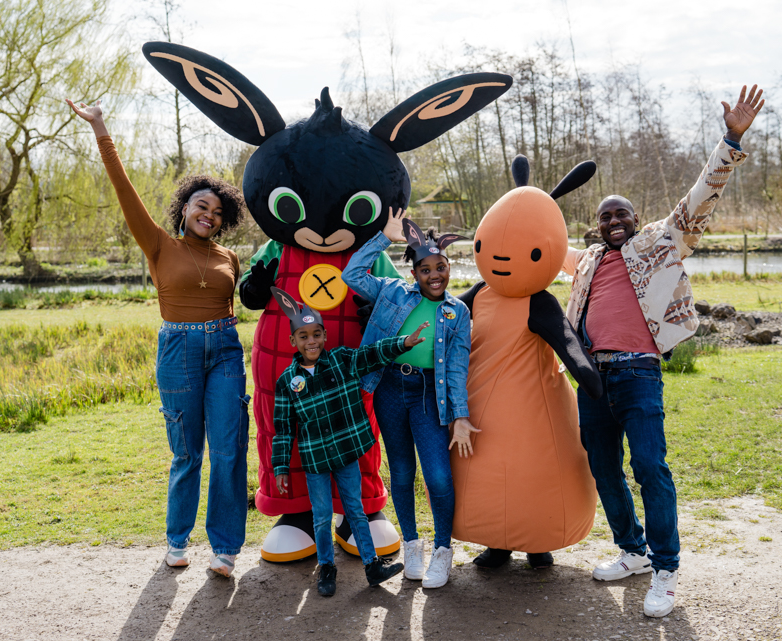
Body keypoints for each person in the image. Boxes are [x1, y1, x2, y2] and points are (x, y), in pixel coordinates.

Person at [562, 85, 764, 617]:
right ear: (596, 226)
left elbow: (700, 197)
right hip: (593, 380)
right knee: (604, 468)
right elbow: (535, 246)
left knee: (650, 467)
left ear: (636, 218)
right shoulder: (587, 262)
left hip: (638, 375)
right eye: (605, 217)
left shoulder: (660, 243)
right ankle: (632, 552)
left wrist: (730, 140)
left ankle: (665, 568)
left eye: (622, 214)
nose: (614, 221)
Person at [67, 99, 250, 578]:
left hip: (225, 351)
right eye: (201, 206)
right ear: (184, 208)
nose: (208, 215)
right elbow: (123, 189)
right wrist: (101, 129)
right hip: (178, 352)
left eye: (217, 211)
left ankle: (225, 548)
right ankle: (177, 540)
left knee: (229, 450)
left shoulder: (229, 257)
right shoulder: (158, 245)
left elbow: (239, 301)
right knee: (187, 452)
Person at [342, 210, 476, 589]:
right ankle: (412, 546)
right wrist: (384, 237)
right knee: (401, 471)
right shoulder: (392, 291)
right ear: (414, 272)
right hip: (389, 387)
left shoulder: (457, 312)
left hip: (428, 393)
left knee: (438, 475)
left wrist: (460, 416)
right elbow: (352, 275)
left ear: (449, 268)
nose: (434, 275)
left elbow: (456, 368)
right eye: (425, 269)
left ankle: (443, 550)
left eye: (441, 268)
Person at [270, 287, 426, 597]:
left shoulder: (342, 360)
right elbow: (283, 428)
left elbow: (372, 353)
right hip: (315, 459)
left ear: (324, 336)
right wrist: (280, 467)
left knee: (355, 509)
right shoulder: (287, 381)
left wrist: (402, 343)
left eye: (316, 334)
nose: (311, 341)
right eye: (303, 336)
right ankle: (327, 567)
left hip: (345, 452)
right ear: (293, 341)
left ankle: (372, 565)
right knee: (321, 516)